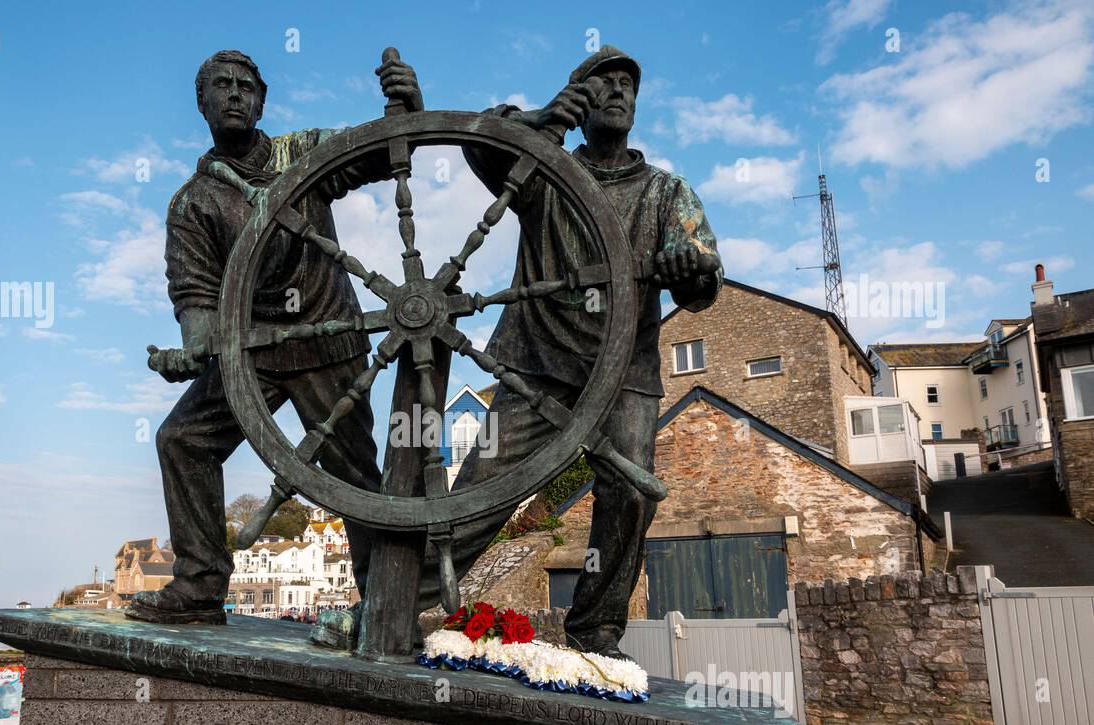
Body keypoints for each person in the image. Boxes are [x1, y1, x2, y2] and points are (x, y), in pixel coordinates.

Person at [418, 46, 723, 659]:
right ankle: (402, 597)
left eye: (627, 85)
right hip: (537, 360)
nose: (617, 91)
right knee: (482, 485)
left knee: (630, 495)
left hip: (624, 371)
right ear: (579, 99)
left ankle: (597, 631)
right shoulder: (543, 172)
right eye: (601, 82)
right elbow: (479, 137)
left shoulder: (666, 192)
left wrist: (689, 271)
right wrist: (544, 115)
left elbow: (704, 285)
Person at [125, 50, 424, 625]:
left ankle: (383, 602)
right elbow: (195, 295)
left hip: (326, 343)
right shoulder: (192, 202)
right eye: (221, 86)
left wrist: (410, 107)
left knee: (354, 476)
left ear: (261, 101)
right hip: (251, 355)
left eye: (245, 86)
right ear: (202, 102)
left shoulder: (302, 155)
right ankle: (200, 585)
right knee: (183, 440)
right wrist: (193, 346)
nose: (234, 94)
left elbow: (384, 149)